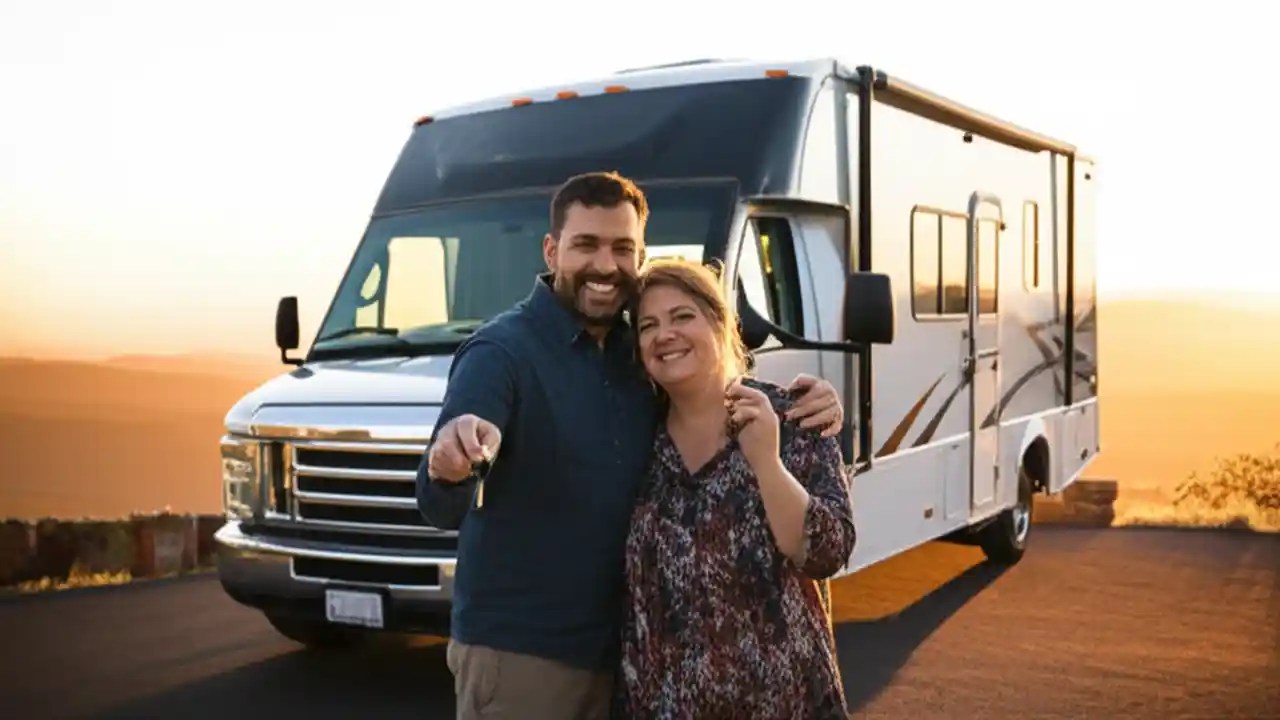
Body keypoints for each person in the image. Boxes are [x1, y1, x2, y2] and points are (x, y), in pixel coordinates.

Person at [416, 170, 846, 720]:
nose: (604, 265)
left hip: (627, 662)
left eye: (623, 248)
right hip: (525, 659)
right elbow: (441, 493)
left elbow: (703, 375)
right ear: (552, 250)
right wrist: (452, 461)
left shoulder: (633, 352)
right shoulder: (501, 352)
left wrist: (809, 400)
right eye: (585, 245)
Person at [616, 257, 854, 719]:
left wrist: (766, 460)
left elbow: (827, 552)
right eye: (648, 325)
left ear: (719, 322)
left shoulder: (793, 417)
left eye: (682, 316)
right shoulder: (636, 441)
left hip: (785, 706)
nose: (665, 334)